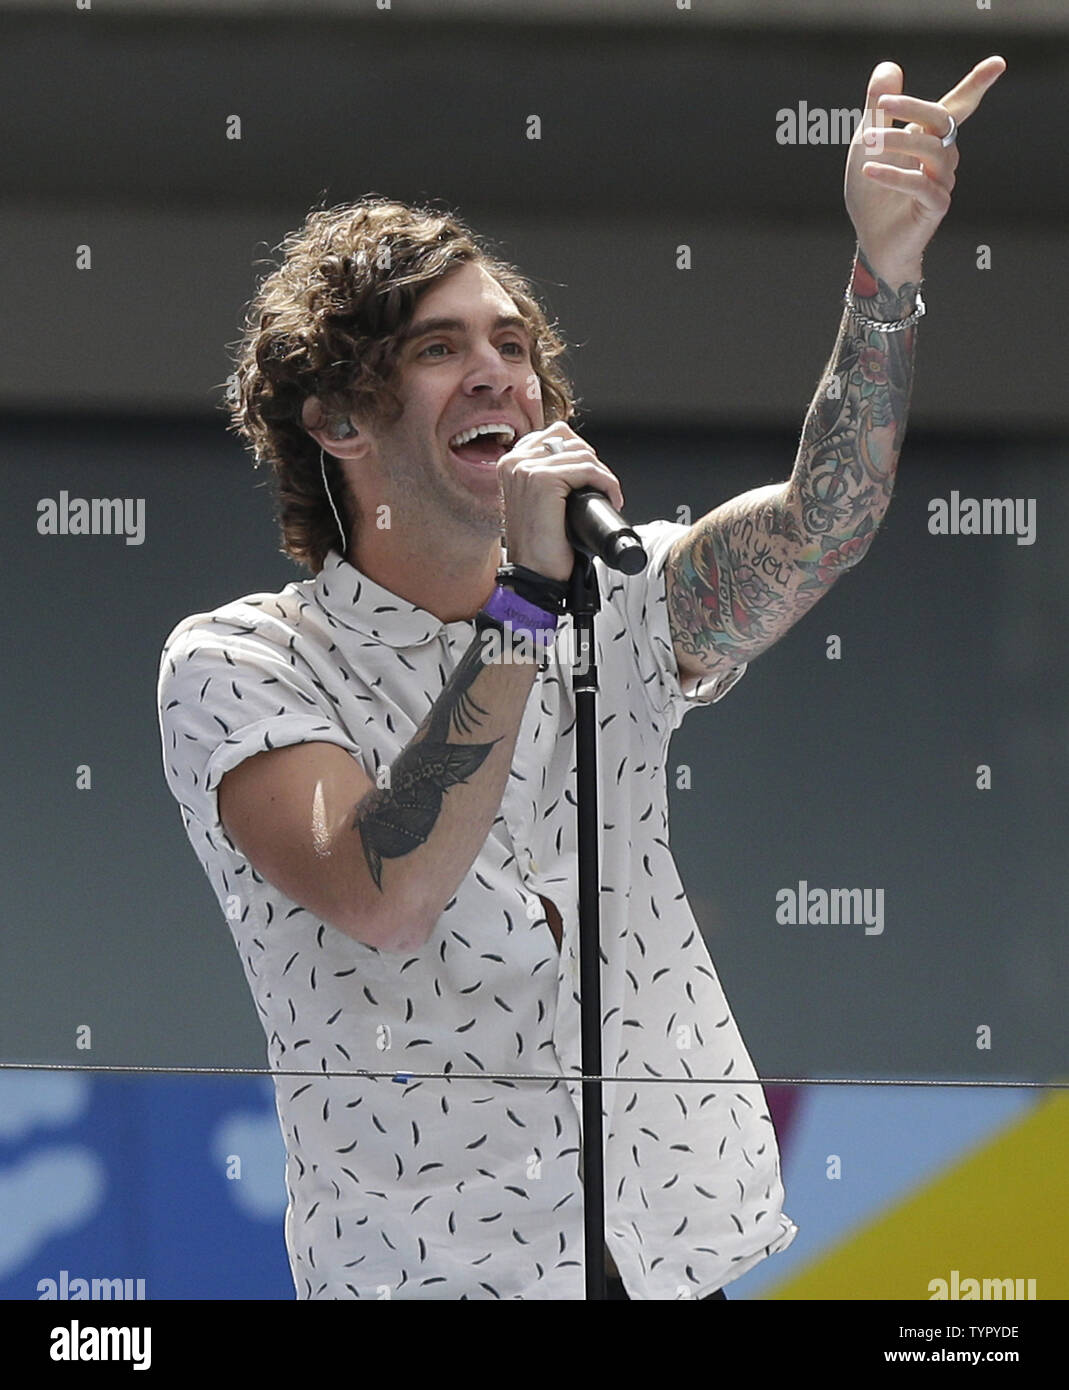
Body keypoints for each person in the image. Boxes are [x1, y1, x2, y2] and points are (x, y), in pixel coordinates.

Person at [157, 57, 1004, 1299]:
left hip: (677, 1259)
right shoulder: (241, 659)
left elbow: (826, 521)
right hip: (440, 1279)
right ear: (338, 420)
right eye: (441, 349)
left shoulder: (620, 594)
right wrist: (523, 605)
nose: (497, 370)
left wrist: (886, 271)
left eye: (514, 343)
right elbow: (384, 884)